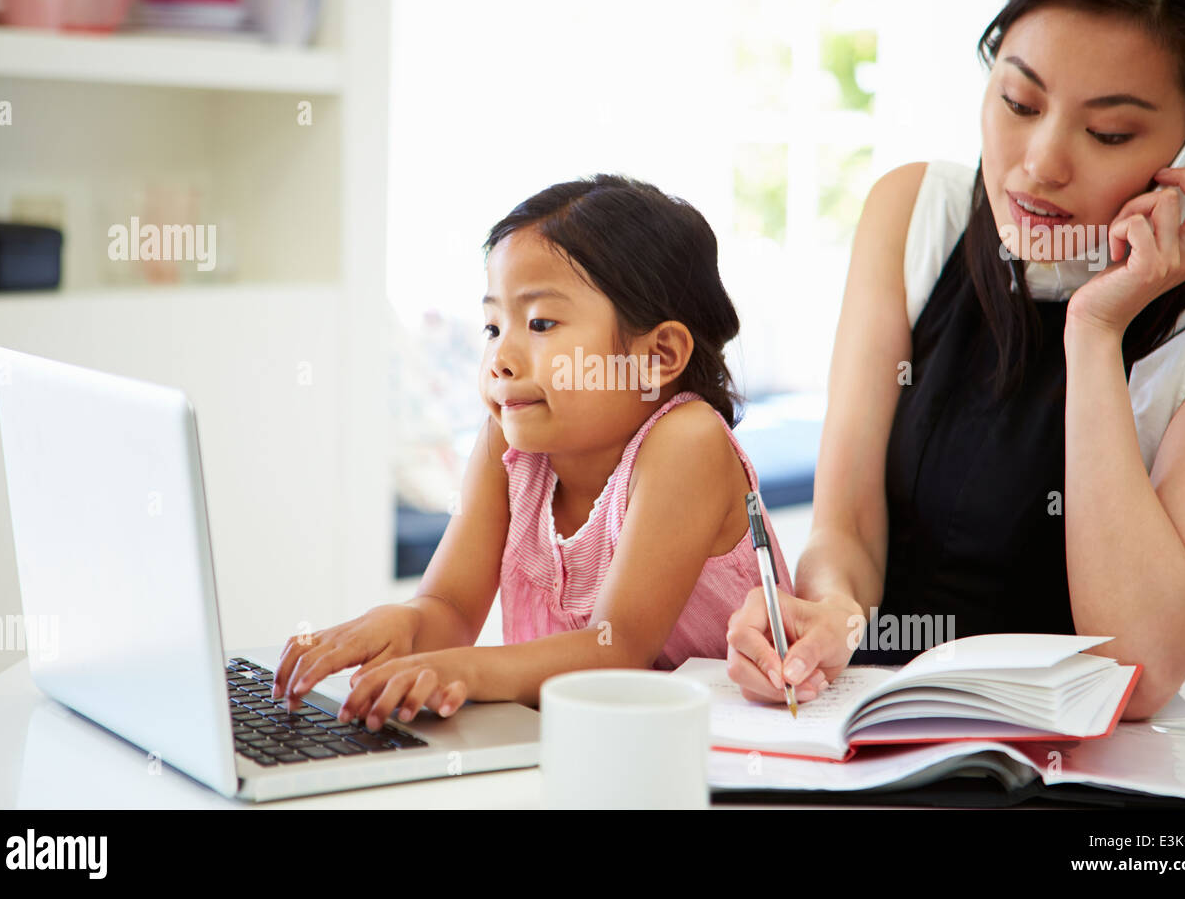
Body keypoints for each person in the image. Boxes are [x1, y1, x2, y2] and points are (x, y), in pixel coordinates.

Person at [727, 0, 1185, 721]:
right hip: (878, 731)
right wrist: (827, 617)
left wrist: (1094, 332)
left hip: (1082, 779)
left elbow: (1140, 670)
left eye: (1108, 133)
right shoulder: (913, 215)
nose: (1040, 164)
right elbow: (848, 530)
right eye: (1018, 102)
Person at [272, 174, 794, 730]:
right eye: (493, 326)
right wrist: (400, 624)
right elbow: (449, 608)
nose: (500, 357)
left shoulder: (687, 440)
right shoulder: (509, 447)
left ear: (657, 356)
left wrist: (463, 671)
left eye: (540, 322)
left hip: (707, 759)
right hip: (576, 750)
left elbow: (616, 651)